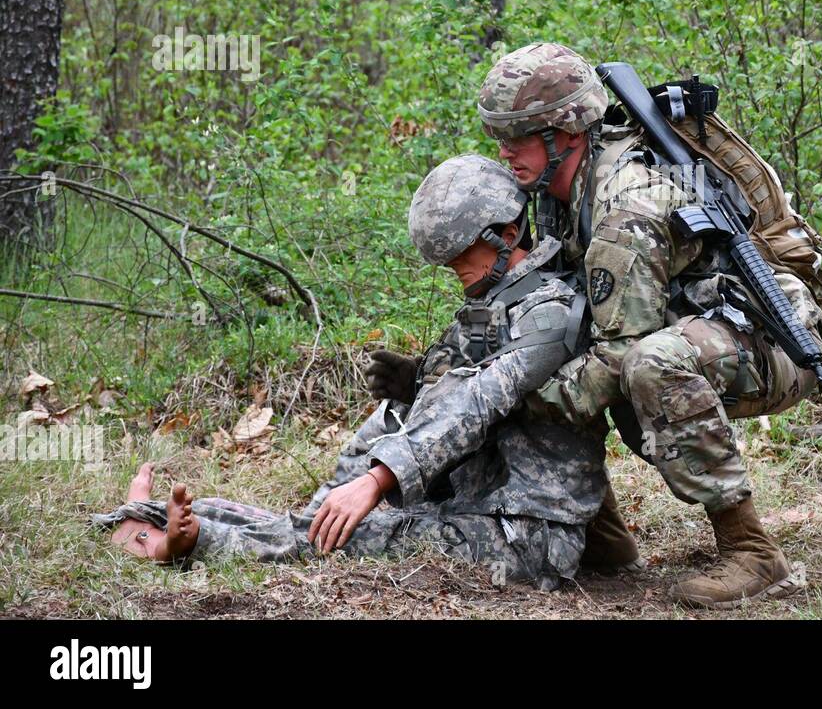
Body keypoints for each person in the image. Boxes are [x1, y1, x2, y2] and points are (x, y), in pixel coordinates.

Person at [95, 155, 610, 591]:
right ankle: (161, 520)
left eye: (459, 254)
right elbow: (429, 407)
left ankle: (188, 543)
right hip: (475, 503)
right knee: (367, 462)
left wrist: (376, 480)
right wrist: (413, 392)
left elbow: (476, 402)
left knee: (362, 537)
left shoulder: (552, 312)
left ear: (508, 233)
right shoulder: (494, 300)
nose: (453, 268)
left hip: (528, 537)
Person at [477, 42, 822, 608]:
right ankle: (600, 534)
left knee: (648, 367)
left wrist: (505, 400)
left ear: (563, 134)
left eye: (517, 136)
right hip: (693, 327)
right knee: (558, 342)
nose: (504, 150)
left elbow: (619, 355)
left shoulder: (626, 205)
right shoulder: (559, 190)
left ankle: (753, 551)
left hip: (773, 342)